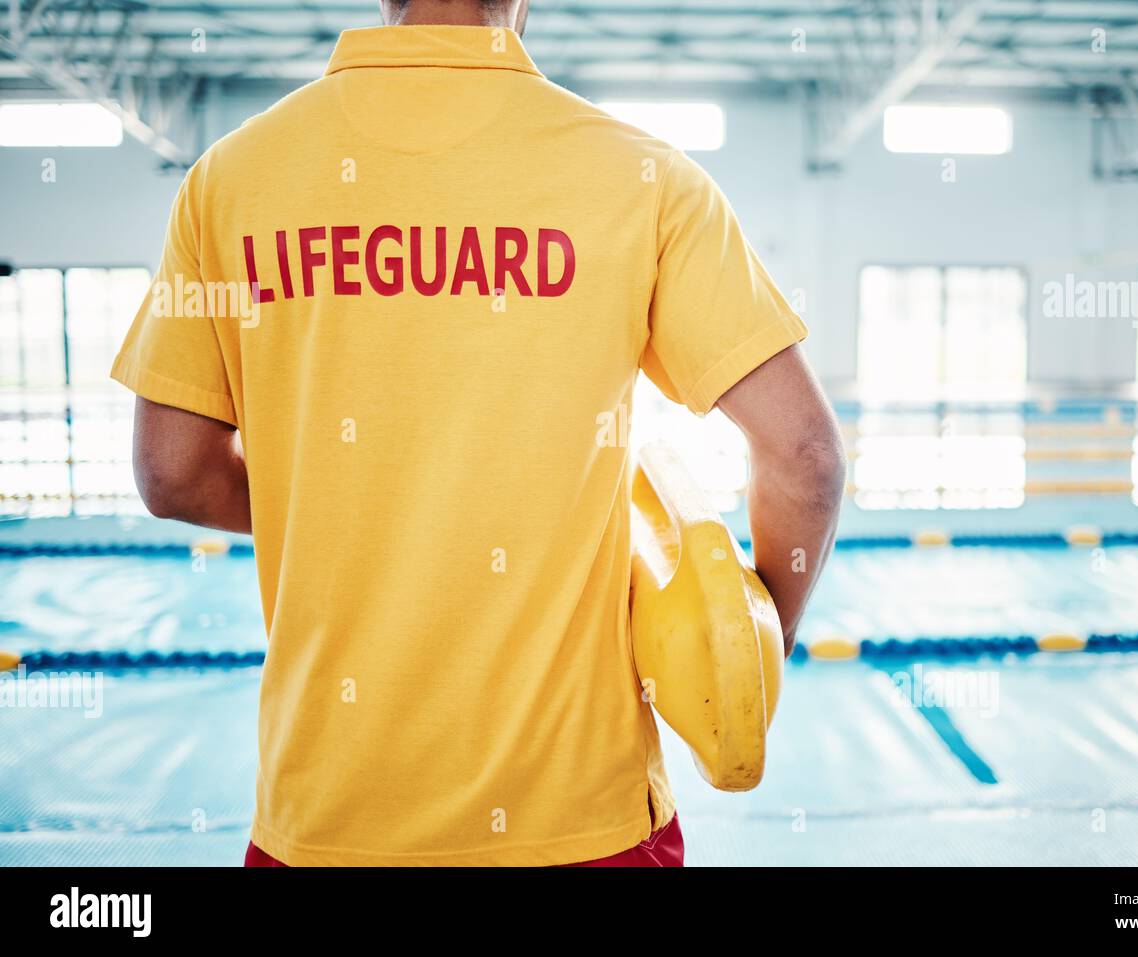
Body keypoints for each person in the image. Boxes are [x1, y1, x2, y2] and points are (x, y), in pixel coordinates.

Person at [112, 0, 845, 866]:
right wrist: (748, 649)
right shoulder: (640, 177)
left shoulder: (231, 180)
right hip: (583, 819)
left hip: (327, 818)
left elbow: (172, 473)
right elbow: (806, 457)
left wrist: (347, 506)